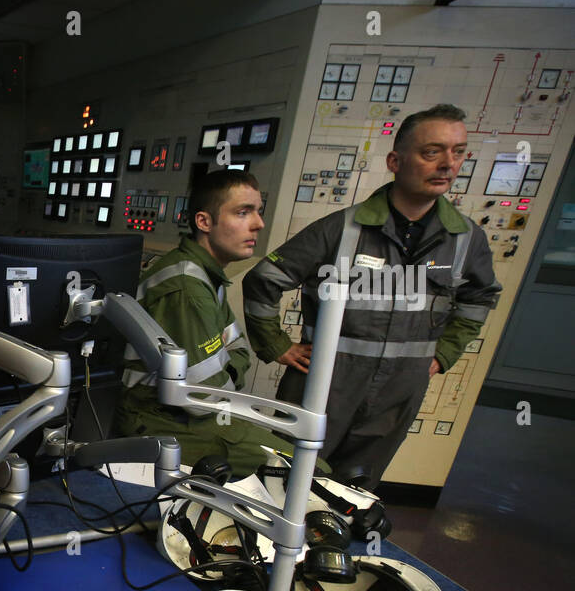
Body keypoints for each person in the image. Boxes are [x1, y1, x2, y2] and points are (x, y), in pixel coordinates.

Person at [241, 104, 500, 490]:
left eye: (458, 152)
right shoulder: (341, 229)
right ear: (396, 160)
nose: (448, 164)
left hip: (400, 391)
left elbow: (479, 298)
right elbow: (265, 279)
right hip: (325, 382)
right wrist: (277, 345)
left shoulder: (466, 239)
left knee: (354, 492)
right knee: (285, 481)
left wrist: (445, 352)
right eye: (432, 152)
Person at [113, 169, 304, 475]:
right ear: (204, 222)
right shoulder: (187, 287)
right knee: (307, 471)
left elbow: (239, 350)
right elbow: (202, 396)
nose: (259, 224)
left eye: (258, 211)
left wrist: (225, 372)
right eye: (243, 212)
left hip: (196, 411)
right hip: (162, 419)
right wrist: (227, 374)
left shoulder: (203, 274)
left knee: (296, 463)